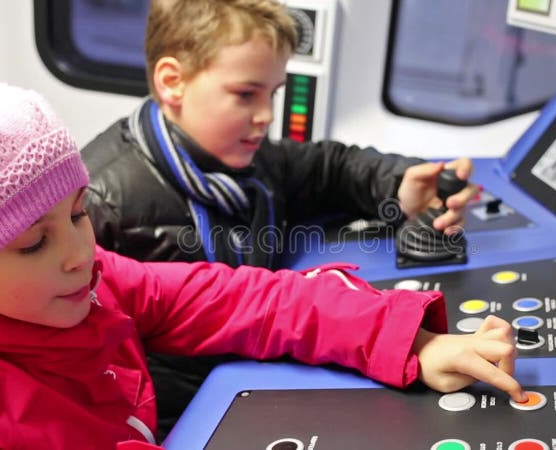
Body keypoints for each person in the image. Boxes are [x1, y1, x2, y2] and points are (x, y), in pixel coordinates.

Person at [0, 68, 523, 449]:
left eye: (79, 213)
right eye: (35, 242)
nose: (81, 252)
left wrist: (410, 344)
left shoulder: (98, 282)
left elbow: (239, 298)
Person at [81, 0, 480, 434]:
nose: (266, 116)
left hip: (250, 368)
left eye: (272, 94)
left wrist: (398, 186)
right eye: (246, 94)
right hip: (180, 413)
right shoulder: (102, 204)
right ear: (172, 83)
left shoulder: (250, 162)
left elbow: (330, 168)